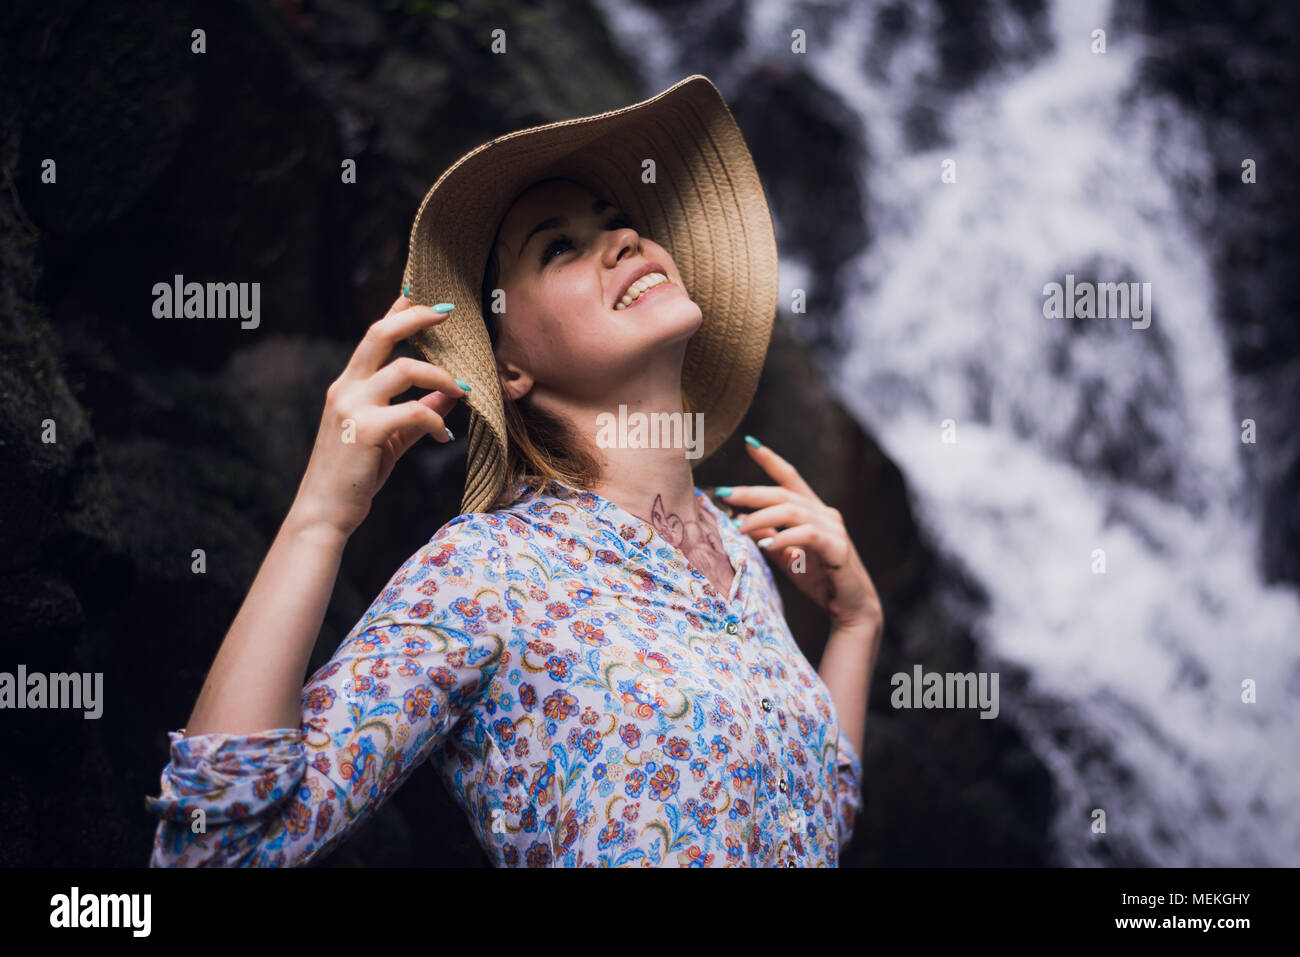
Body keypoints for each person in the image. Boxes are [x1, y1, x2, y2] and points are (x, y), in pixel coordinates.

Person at [144, 75, 883, 867]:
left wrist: (855, 627)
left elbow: (810, 821)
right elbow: (214, 850)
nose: (624, 240)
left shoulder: (741, 557)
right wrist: (318, 517)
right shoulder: (487, 571)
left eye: (621, 220)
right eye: (558, 246)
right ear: (510, 367)